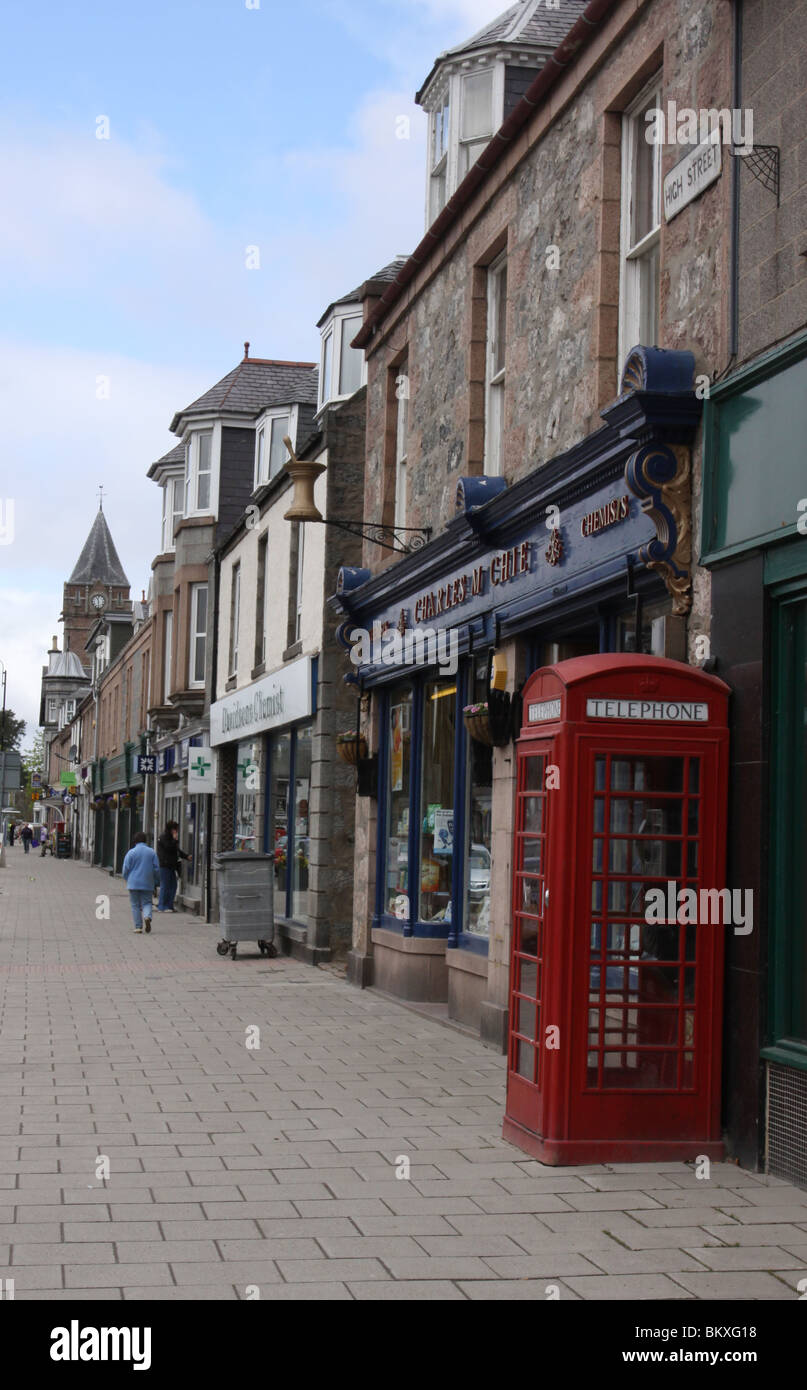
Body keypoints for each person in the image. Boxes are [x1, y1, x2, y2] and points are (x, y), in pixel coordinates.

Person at [122, 832, 160, 934]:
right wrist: (156, 881)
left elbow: (125, 868)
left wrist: (127, 878)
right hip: (147, 882)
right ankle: (147, 916)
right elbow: (157, 869)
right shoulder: (151, 852)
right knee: (147, 902)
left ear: (135, 841)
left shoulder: (131, 852)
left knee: (135, 905)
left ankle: (138, 927)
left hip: (133, 882)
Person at [156, 820, 189, 912]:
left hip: (171, 865)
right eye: (176, 829)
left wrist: (186, 856)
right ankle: (162, 906)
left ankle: (169, 905)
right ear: (172, 829)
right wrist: (175, 839)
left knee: (173, 885)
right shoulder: (163, 837)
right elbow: (168, 848)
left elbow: (177, 850)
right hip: (165, 865)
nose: (177, 831)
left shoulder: (170, 838)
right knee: (165, 885)